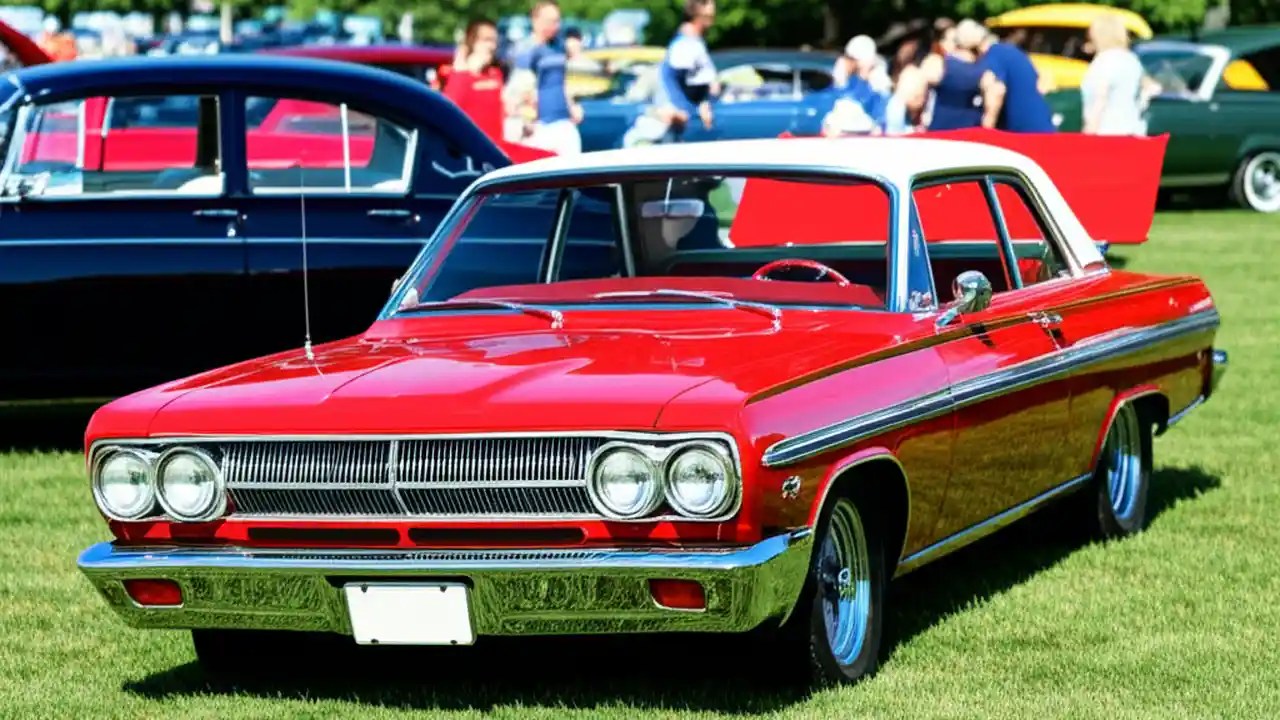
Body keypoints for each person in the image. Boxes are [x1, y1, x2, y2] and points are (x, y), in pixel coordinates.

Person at [507, 0, 584, 154]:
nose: (556, 26)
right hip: (538, 126)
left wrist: (573, 105)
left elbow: (562, 81)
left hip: (564, 123)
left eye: (557, 20)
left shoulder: (559, 47)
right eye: (550, 21)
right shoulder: (525, 50)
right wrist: (523, 118)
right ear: (535, 20)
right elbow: (514, 93)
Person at [958, 19, 1055, 132]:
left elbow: (997, 90)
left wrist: (987, 128)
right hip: (1044, 127)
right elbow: (1041, 84)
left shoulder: (992, 57)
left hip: (1023, 134)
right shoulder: (1012, 51)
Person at [652, 0, 719, 142]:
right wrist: (687, 109)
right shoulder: (687, 44)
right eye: (709, 14)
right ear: (697, 13)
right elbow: (670, 79)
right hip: (682, 121)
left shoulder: (693, 41)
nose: (713, 17)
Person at [1080, 14, 1153, 135]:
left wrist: (1089, 130)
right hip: (1133, 131)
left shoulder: (1103, 62)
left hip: (1106, 133)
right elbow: (1150, 87)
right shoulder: (1131, 60)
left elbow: (1100, 98)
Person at [920, 22, 998, 130]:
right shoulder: (985, 74)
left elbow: (920, 95)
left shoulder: (939, 64)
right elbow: (995, 100)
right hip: (969, 137)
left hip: (937, 133)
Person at [445, 19, 505, 144]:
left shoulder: (495, 73)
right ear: (472, 42)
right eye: (486, 40)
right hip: (472, 149)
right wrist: (466, 70)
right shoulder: (460, 75)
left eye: (494, 41)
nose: (492, 47)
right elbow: (450, 111)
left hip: (497, 148)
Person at [882, 64, 930, 134]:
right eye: (921, 96)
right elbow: (896, 135)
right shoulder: (896, 108)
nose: (923, 100)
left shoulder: (903, 107)